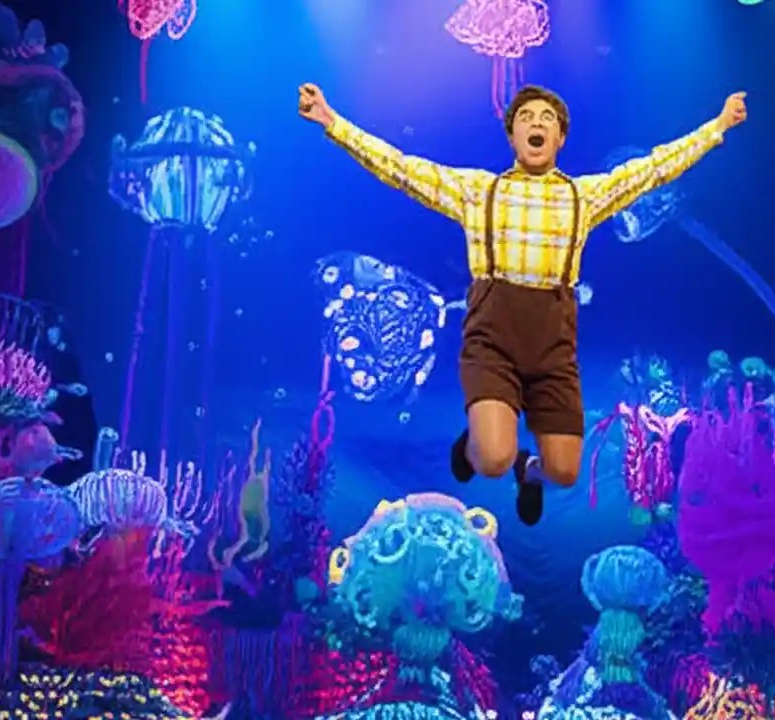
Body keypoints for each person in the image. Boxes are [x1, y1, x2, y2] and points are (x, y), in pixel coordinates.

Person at [299, 83, 748, 525]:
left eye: (546, 120)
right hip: (493, 332)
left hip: (553, 340)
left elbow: (655, 169)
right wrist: (332, 123)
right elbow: (400, 168)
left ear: (560, 138)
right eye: (526, 119)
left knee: (564, 470)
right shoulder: (479, 190)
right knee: (493, 458)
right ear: (512, 136)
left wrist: (718, 125)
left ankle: (528, 472)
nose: (536, 124)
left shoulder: (584, 195)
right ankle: (475, 444)